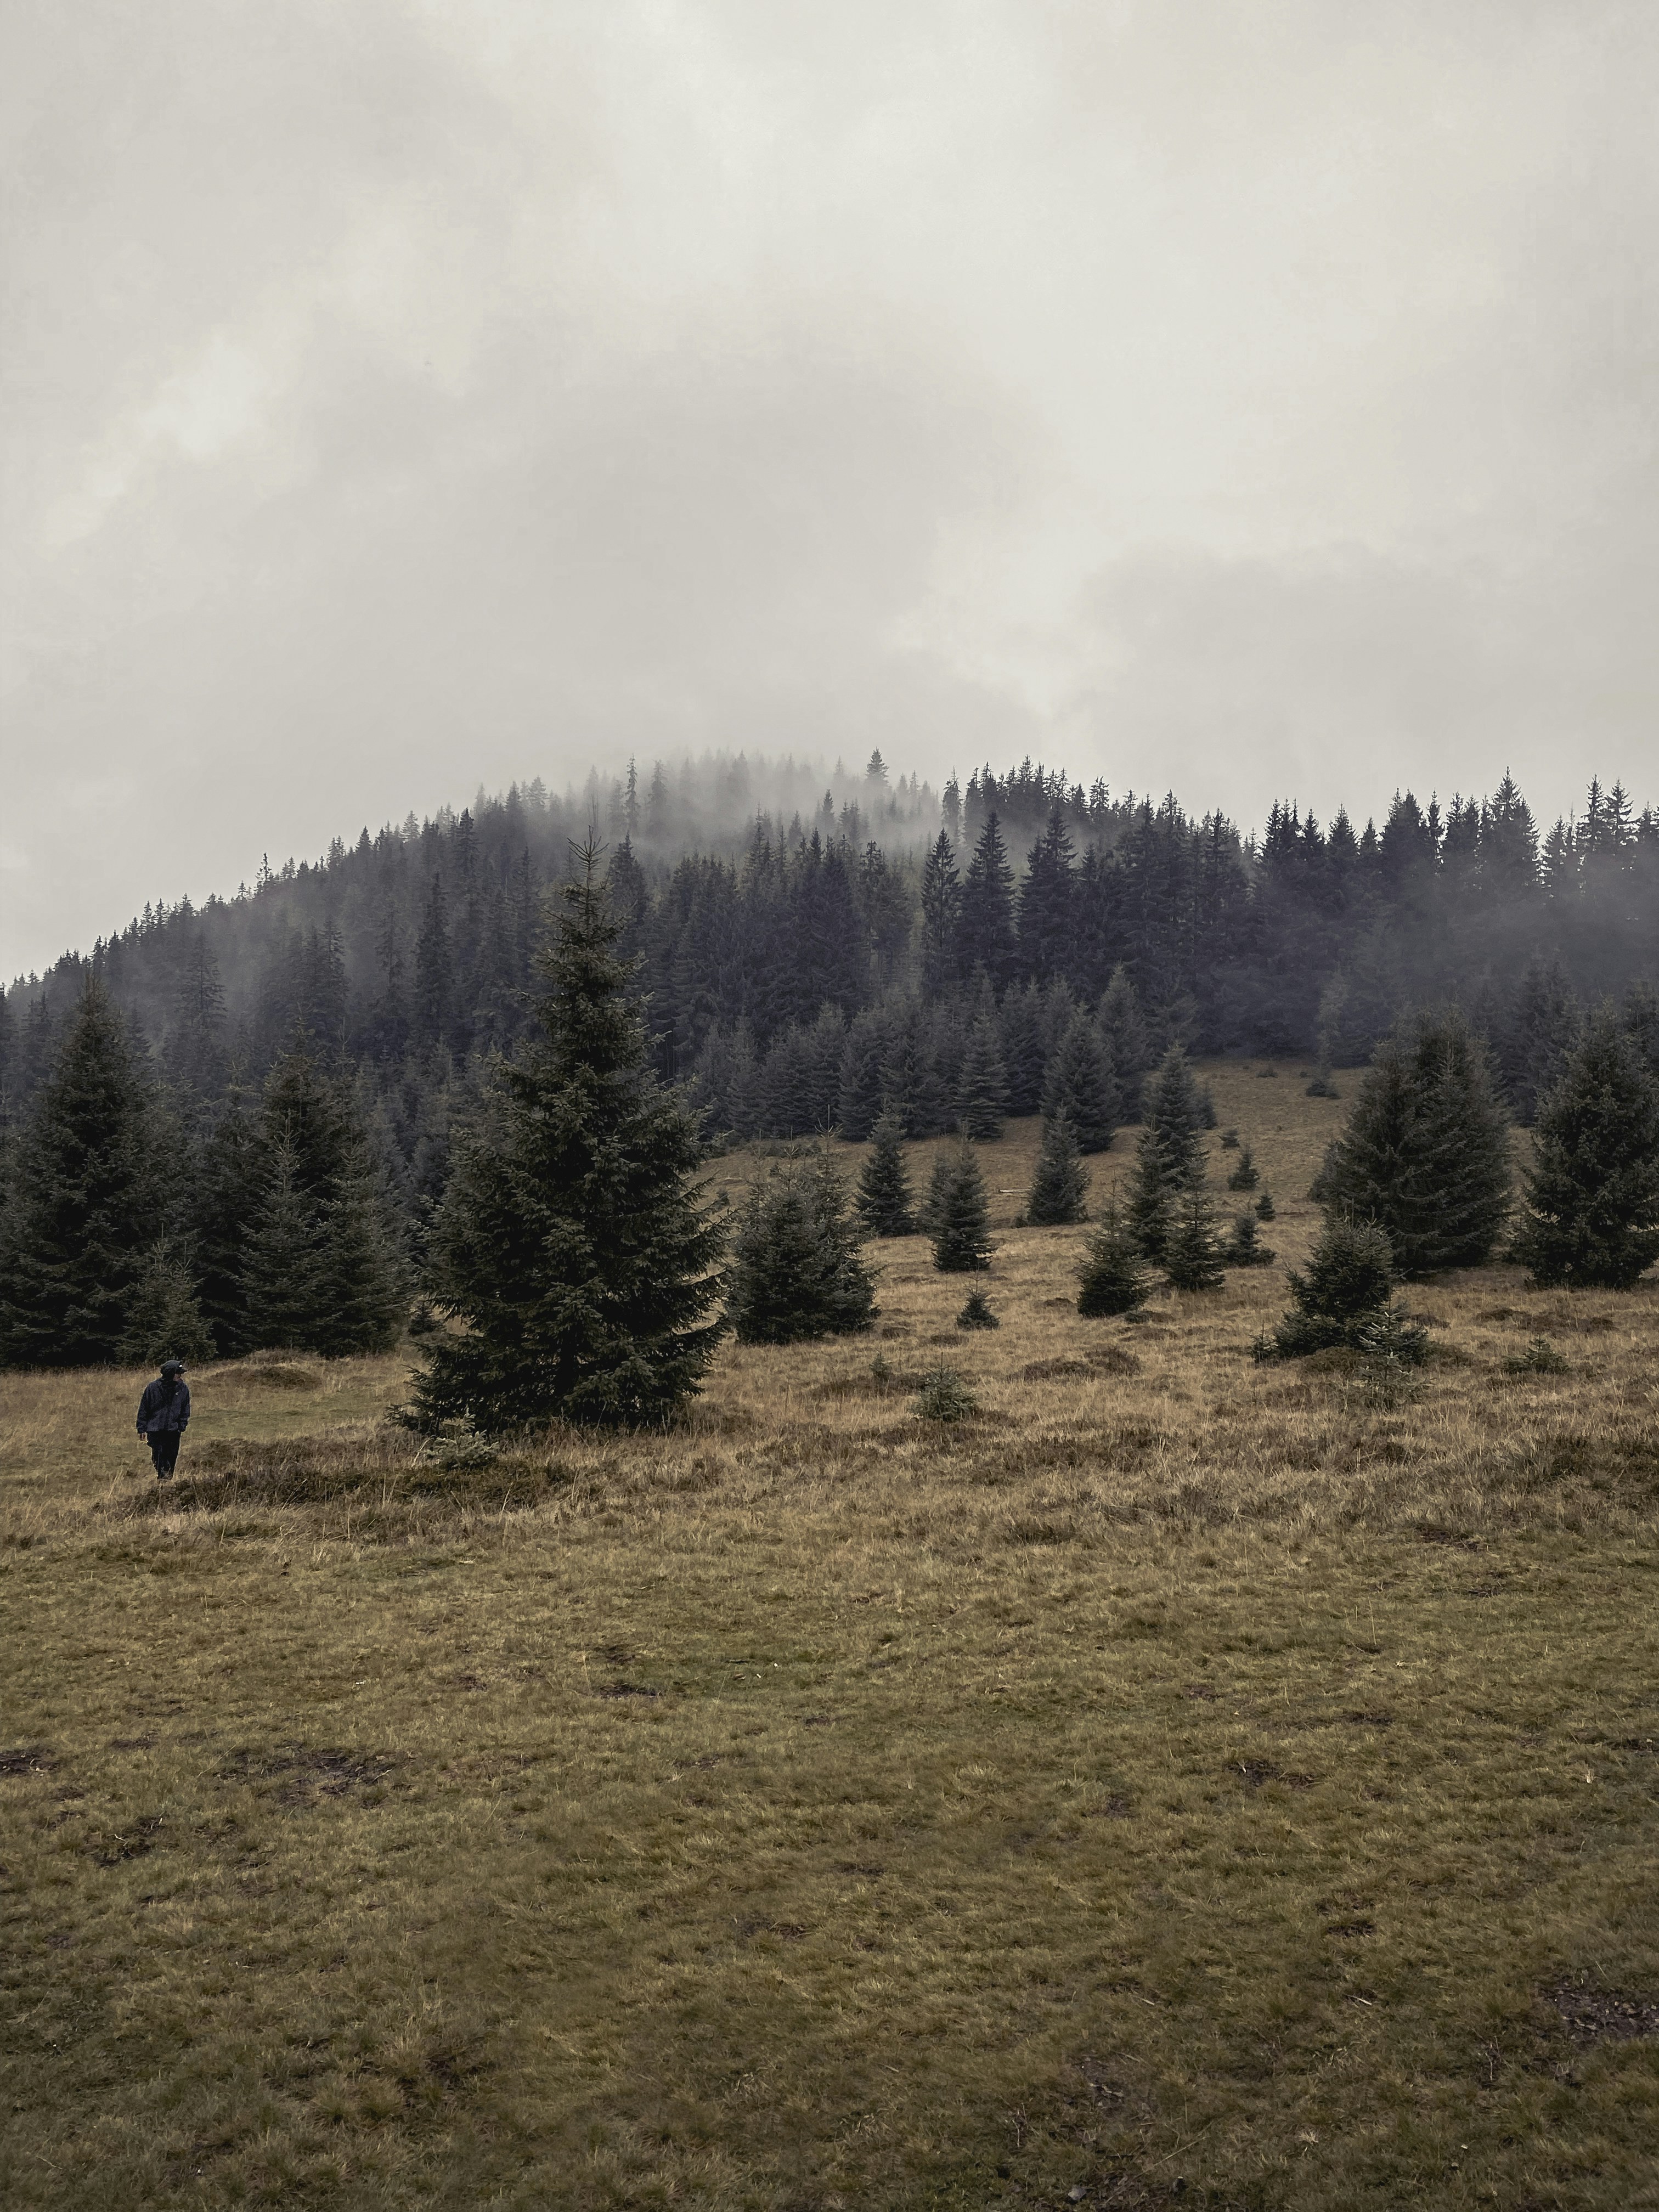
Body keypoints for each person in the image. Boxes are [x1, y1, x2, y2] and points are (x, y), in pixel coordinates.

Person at [136, 1358, 190, 1479]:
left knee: (171, 1461)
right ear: (170, 1373)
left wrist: (182, 1426)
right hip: (156, 1431)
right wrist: (141, 1428)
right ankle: (162, 1481)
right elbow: (144, 1408)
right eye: (178, 1373)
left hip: (173, 1431)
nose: (181, 1376)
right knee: (159, 1459)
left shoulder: (183, 1389)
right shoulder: (153, 1388)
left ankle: (166, 1486)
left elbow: (185, 1409)